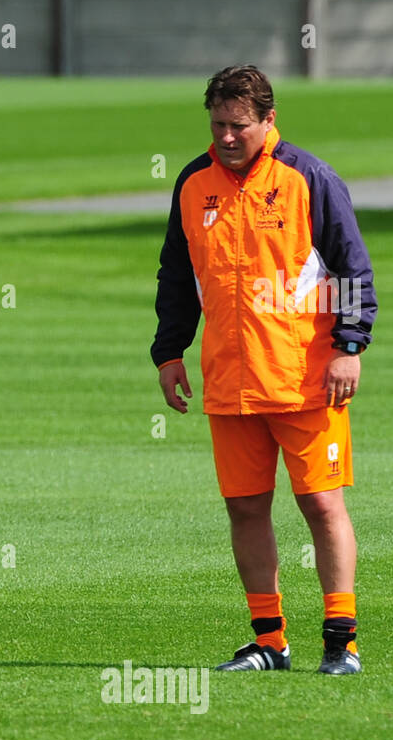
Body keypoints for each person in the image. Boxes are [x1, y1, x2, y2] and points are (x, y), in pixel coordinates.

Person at [151, 65, 377, 675]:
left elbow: (353, 267)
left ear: (269, 121)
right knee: (245, 509)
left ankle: (342, 641)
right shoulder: (193, 183)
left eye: (239, 126)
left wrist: (349, 347)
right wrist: (169, 351)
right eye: (218, 124)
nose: (226, 137)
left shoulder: (309, 178)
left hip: (307, 378)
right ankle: (269, 640)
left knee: (322, 507)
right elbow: (178, 275)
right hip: (230, 381)